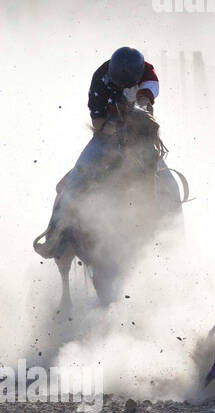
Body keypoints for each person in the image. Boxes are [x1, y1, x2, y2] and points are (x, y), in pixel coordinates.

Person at [35, 46, 177, 256]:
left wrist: (141, 107)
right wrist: (110, 129)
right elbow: (97, 118)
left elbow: (149, 92)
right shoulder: (100, 78)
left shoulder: (147, 71)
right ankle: (54, 237)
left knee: (169, 182)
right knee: (77, 177)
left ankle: (174, 233)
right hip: (107, 136)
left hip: (140, 133)